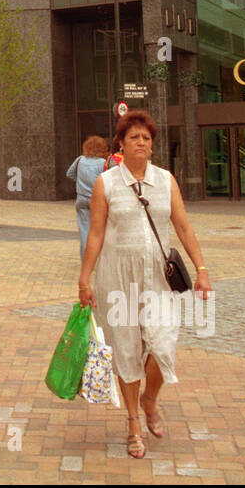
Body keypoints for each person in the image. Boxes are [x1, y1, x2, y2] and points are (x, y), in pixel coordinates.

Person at [78, 110, 211, 459]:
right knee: (125, 348)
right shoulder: (105, 183)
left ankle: (150, 399)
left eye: (146, 138)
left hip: (156, 276)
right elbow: (95, 233)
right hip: (116, 277)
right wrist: (84, 277)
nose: (141, 142)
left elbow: (183, 227)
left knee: (163, 342)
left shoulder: (166, 180)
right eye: (134, 137)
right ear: (121, 143)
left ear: (152, 146)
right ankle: (134, 421)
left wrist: (201, 268)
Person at [66, 136, 109, 260]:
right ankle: (99, 257)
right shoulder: (102, 163)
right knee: (100, 229)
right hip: (97, 200)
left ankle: (85, 259)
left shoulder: (80, 160)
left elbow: (69, 173)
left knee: (85, 230)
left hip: (81, 199)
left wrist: (78, 180)